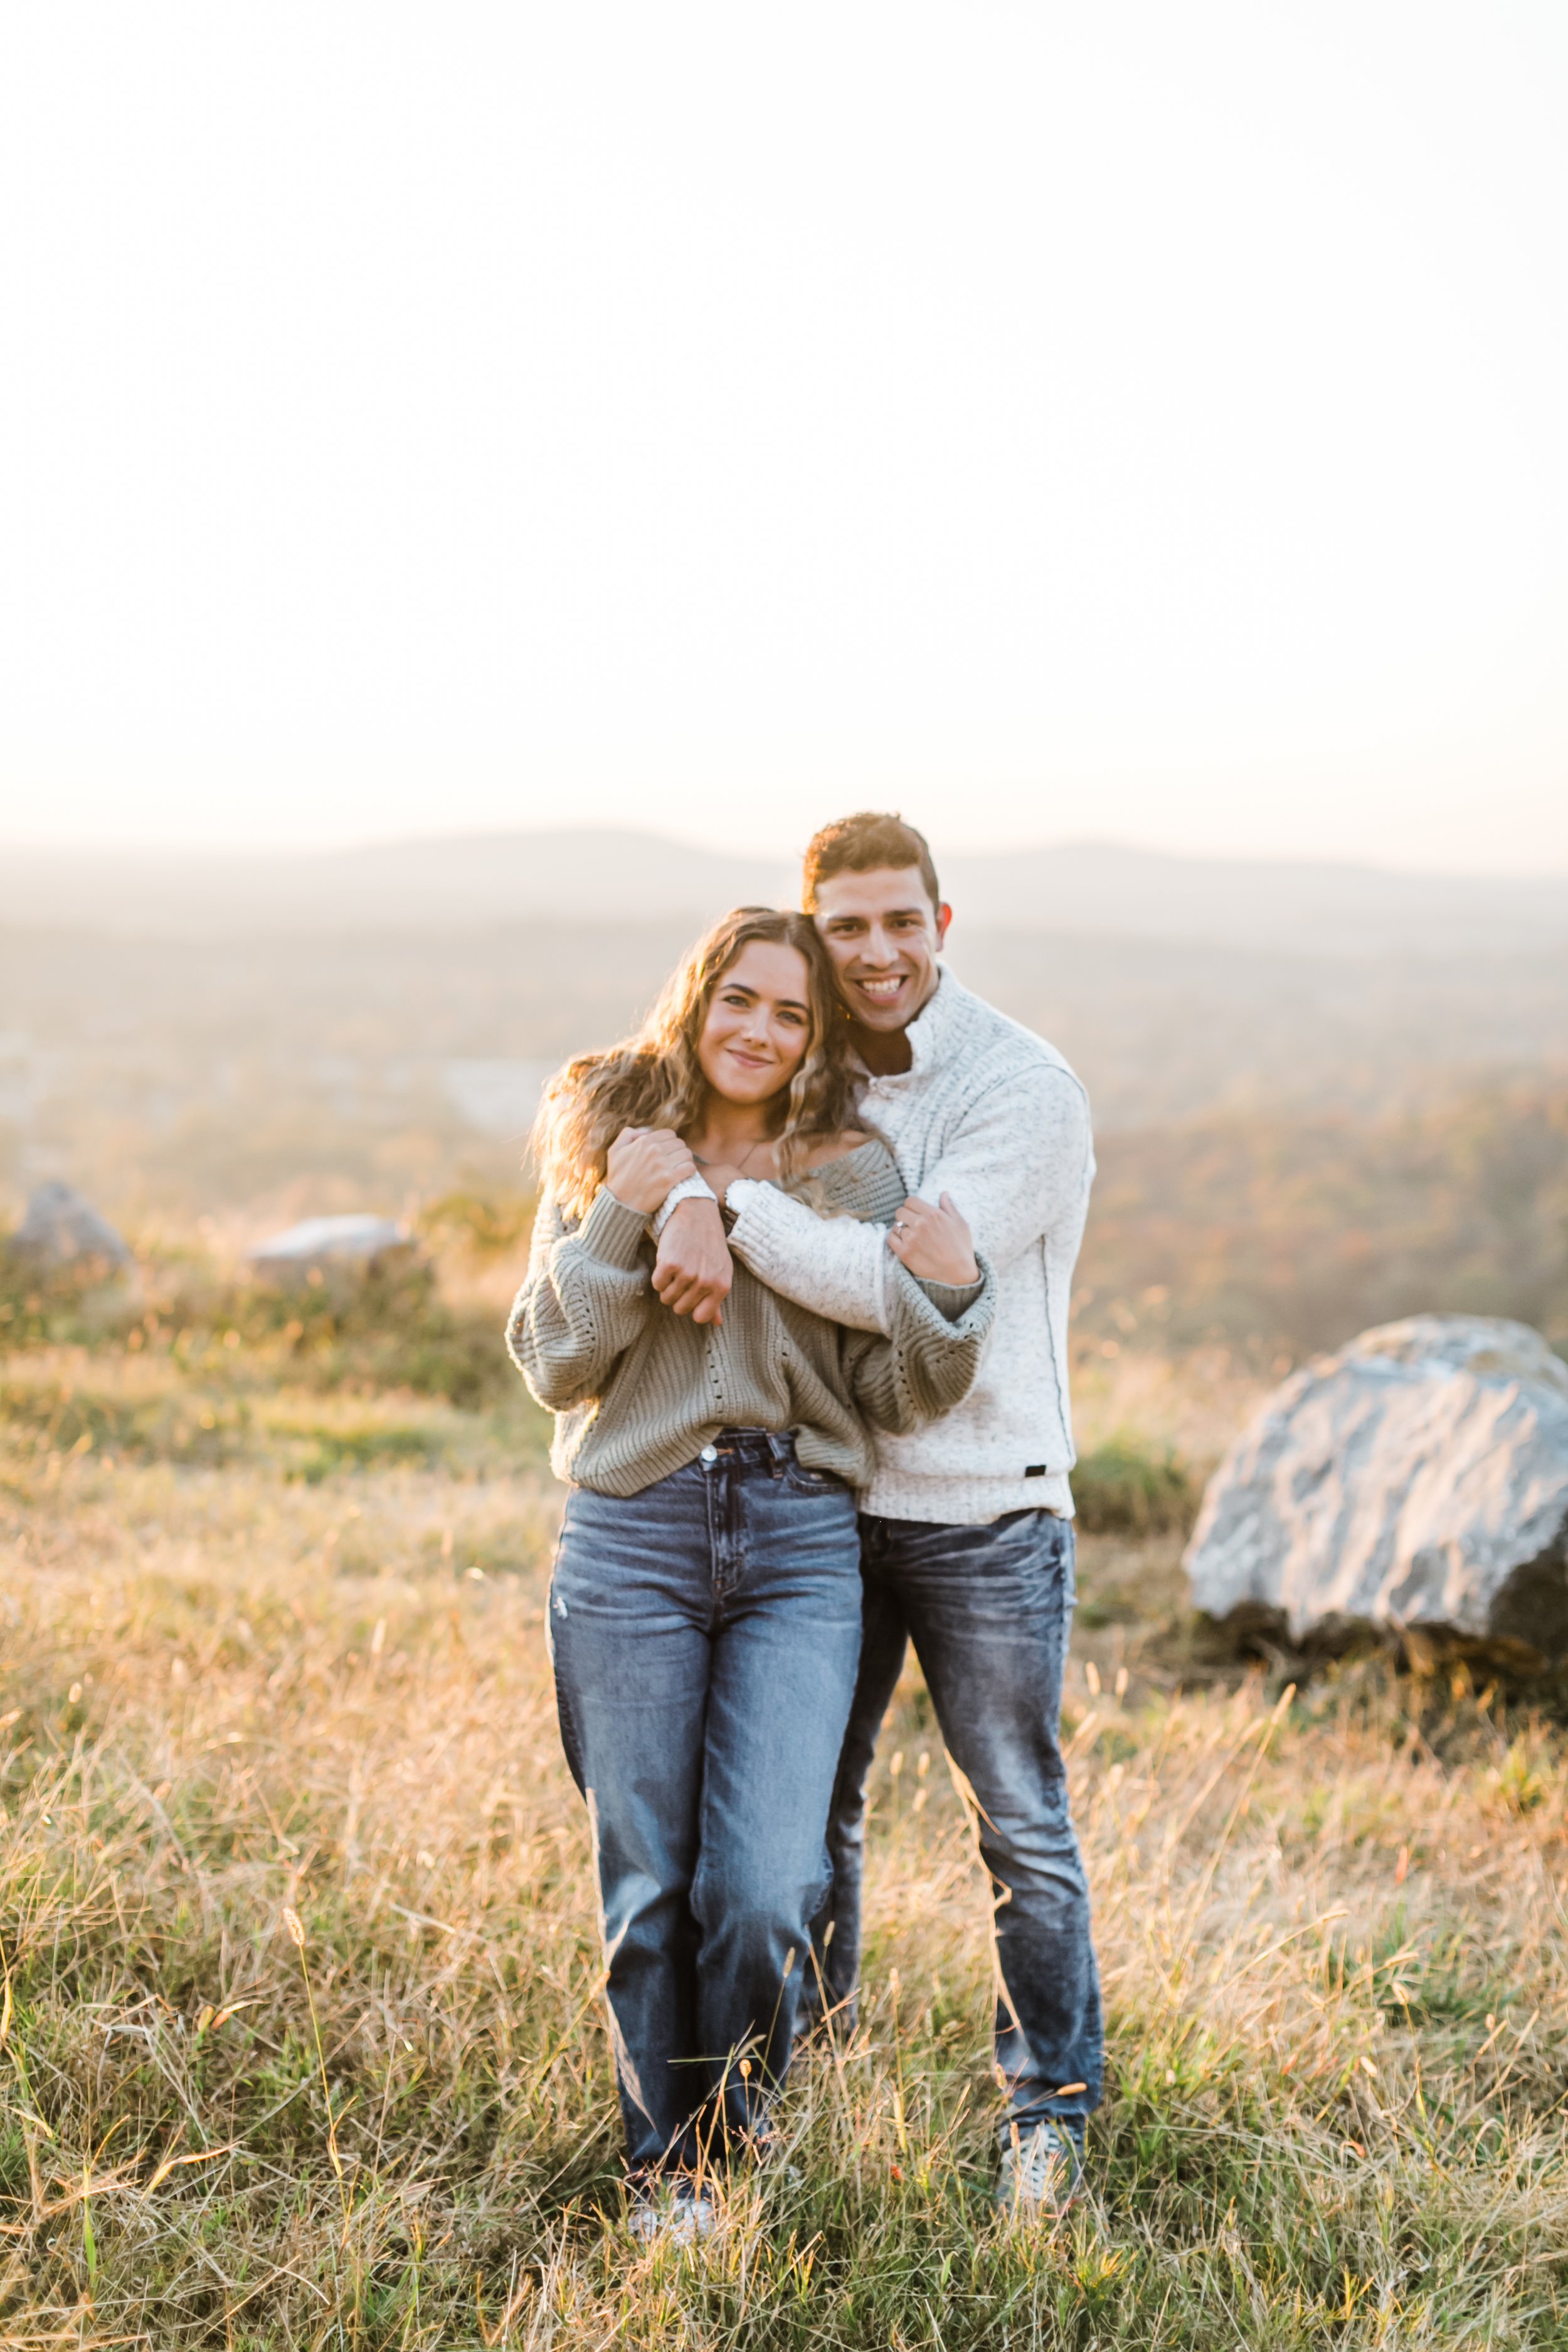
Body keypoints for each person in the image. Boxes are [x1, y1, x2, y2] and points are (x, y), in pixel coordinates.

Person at [507, 906, 997, 2242]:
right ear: (695, 997)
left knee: (767, 1887)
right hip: (633, 1530)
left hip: (796, 1539)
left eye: (790, 1013)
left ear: (818, 1035)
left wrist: (949, 1303)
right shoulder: (613, 1140)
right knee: (648, 1885)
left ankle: (729, 2137)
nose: (759, 1032)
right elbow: (553, 1363)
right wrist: (636, 1207)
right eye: (739, 1000)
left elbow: (897, 1393)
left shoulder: (849, 1173)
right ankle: (666, 2170)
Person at [649, 817, 1100, 2217]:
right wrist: (678, 1181)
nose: (874, 952)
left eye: (898, 922)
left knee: (1016, 1823)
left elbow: (910, 1289)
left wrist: (729, 1210)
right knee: (812, 1816)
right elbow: (658, 1118)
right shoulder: (809, 1072)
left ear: (942, 924)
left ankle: (1049, 2115)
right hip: (830, 1502)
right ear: (812, 930)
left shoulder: (1021, 1086)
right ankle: (803, 2073)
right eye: (844, 928)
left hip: (985, 1513)